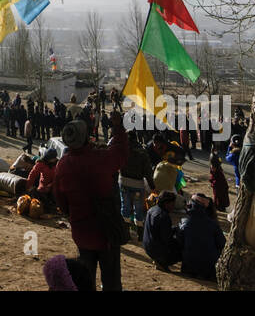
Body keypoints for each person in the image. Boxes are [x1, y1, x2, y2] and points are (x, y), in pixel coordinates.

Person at [52, 106, 128, 291]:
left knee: (85, 280)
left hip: (81, 231)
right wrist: (118, 127)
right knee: (111, 281)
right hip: (106, 232)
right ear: (86, 137)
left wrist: (73, 213)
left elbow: (59, 199)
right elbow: (121, 153)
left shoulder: (63, 165)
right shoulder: (100, 158)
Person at [179, 193, 225, 279]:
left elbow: (180, 242)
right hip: (209, 270)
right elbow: (222, 244)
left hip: (189, 268)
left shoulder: (184, 222)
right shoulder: (213, 225)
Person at [120, 130, 156, 224]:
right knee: (138, 208)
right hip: (137, 184)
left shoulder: (122, 150)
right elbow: (148, 171)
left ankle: (125, 231)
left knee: (125, 206)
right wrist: (152, 186)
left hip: (123, 182)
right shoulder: (142, 152)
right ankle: (139, 231)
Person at [142, 190, 181, 272]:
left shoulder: (152, 210)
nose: (173, 206)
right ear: (166, 203)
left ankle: (159, 260)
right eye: (172, 204)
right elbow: (166, 238)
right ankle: (162, 262)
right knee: (182, 247)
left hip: (147, 247)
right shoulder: (163, 216)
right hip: (157, 250)